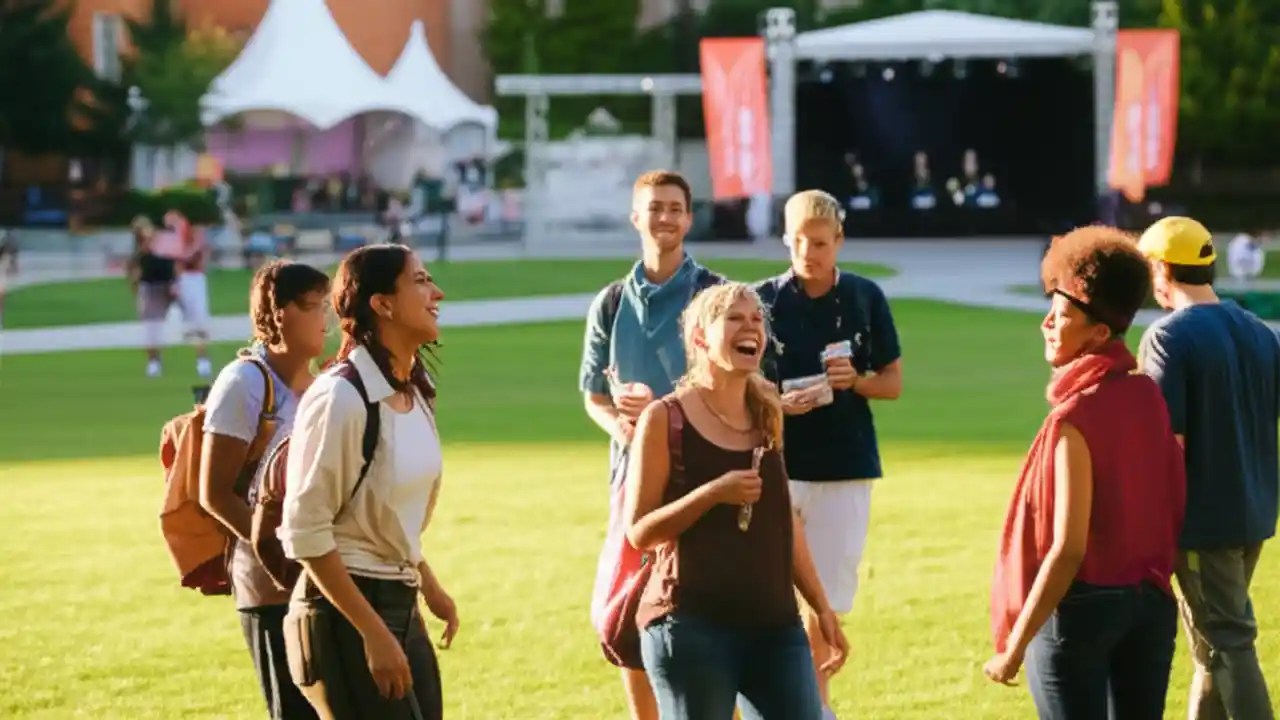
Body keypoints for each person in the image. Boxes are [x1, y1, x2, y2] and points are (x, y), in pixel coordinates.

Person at [985, 226, 1186, 719]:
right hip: (1150, 607)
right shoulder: (1148, 396)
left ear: (1098, 333)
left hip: (1082, 614)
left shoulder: (1076, 417)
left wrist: (1014, 647)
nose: (1046, 324)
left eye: (1061, 316)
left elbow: (1068, 548)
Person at [625, 282, 849, 720]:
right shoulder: (665, 419)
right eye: (734, 318)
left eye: (757, 320)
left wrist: (820, 606)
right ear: (700, 338)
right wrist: (713, 494)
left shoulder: (766, 411)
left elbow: (784, 519)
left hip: (774, 625)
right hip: (691, 627)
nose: (751, 327)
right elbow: (640, 532)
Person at [281, 244, 458, 719]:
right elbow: (305, 530)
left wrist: (427, 583)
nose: (437, 293)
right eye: (420, 281)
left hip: (398, 600)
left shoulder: (413, 390)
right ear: (382, 304)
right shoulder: (341, 397)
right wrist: (372, 632)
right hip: (345, 612)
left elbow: (381, 512)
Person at [580, 170, 725, 720]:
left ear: (688, 219)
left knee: (714, 620)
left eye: (674, 208)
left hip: (704, 476)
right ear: (635, 217)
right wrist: (625, 428)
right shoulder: (611, 302)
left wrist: (665, 413)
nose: (664, 218)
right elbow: (594, 396)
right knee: (628, 613)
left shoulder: (715, 296)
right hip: (633, 485)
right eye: (654, 208)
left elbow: (737, 385)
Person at [754, 190, 901, 720]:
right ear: (785, 239)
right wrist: (776, 401)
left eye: (819, 243)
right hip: (775, 465)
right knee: (767, 596)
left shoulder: (864, 297)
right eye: (798, 242)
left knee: (826, 600)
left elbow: (892, 383)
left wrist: (855, 381)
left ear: (838, 241)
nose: (808, 253)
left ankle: (814, 706)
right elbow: (733, 384)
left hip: (845, 467)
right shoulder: (761, 302)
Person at [1136, 216, 1278, 720]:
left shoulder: (1167, 337)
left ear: (1161, 268)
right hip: (1255, 512)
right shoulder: (1259, 332)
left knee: (1227, 641)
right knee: (1211, 648)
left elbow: (1166, 444)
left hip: (1202, 521)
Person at [198, 260, 331, 719]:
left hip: (323, 577)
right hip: (271, 588)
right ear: (279, 314)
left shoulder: (323, 386)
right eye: (313, 306)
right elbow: (215, 493)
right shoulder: (244, 383)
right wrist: (281, 557)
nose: (325, 319)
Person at [126, 215, 179, 377]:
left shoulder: (161, 247)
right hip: (150, 288)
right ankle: (154, 361)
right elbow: (133, 273)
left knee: (163, 327)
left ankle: (157, 359)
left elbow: (172, 266)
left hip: (165, 287)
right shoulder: (140, 253)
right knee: (150, 328)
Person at [170, 209, 214, 378]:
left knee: (198, 319)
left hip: (195, 279)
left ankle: (203, 359)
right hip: (188, 279)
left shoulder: (195, 240)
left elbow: (192, 257)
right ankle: (200, 356)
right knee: (190, 318)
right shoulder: (186, 240)